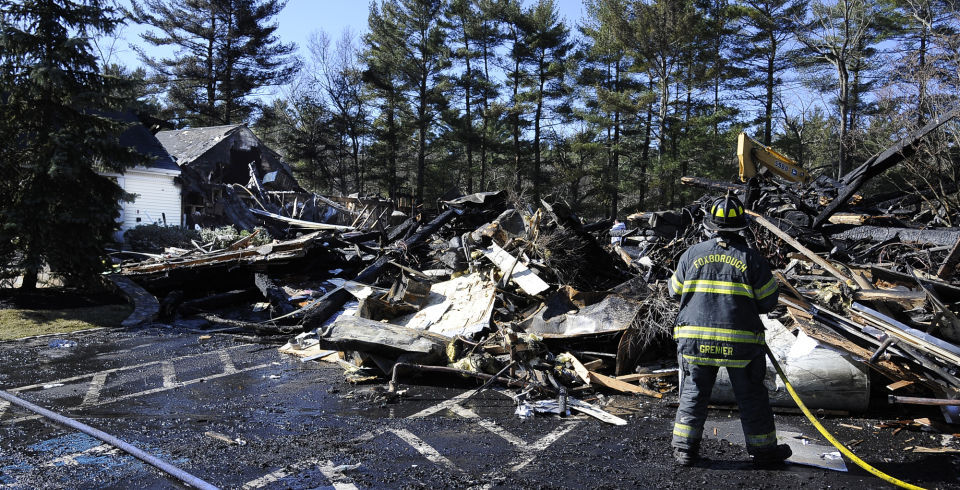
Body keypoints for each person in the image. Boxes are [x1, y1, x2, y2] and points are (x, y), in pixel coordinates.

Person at [667, 194, 792, 467]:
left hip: (695, 340)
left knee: (693, 393)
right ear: (741, 226)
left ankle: (684, 450)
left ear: (710, 225)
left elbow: (674, 291)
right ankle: (763, 451)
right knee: (751, 396)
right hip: (741, 343)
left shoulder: (691, 254)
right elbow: (768, 301)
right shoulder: (752, 259)